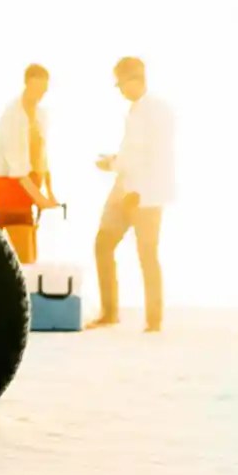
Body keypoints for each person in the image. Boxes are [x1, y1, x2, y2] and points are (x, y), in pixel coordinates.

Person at [91, 57, 175, 332]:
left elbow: (145, 156)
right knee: (111, 246)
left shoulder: (150, 111)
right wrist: (116, 160)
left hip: (140, 193)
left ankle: (144, 318)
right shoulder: (143, 110)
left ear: (135, 79)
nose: (120, 90)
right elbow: (138, 153)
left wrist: (113, 164)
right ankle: (126, 314)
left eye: (121, 83)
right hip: (131, 188)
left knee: (143, 253)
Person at [0, 63, 60, 263]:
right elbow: (17, 170)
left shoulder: (42, 114)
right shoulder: (12, 115)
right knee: (25, 263)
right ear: (26, 84)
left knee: (31, 261)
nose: (39, 94)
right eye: (36, 89)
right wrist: (41, 200)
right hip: (9, 189)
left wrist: (50, 192)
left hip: (30, 191)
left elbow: (43, 157)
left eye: (43, 90)